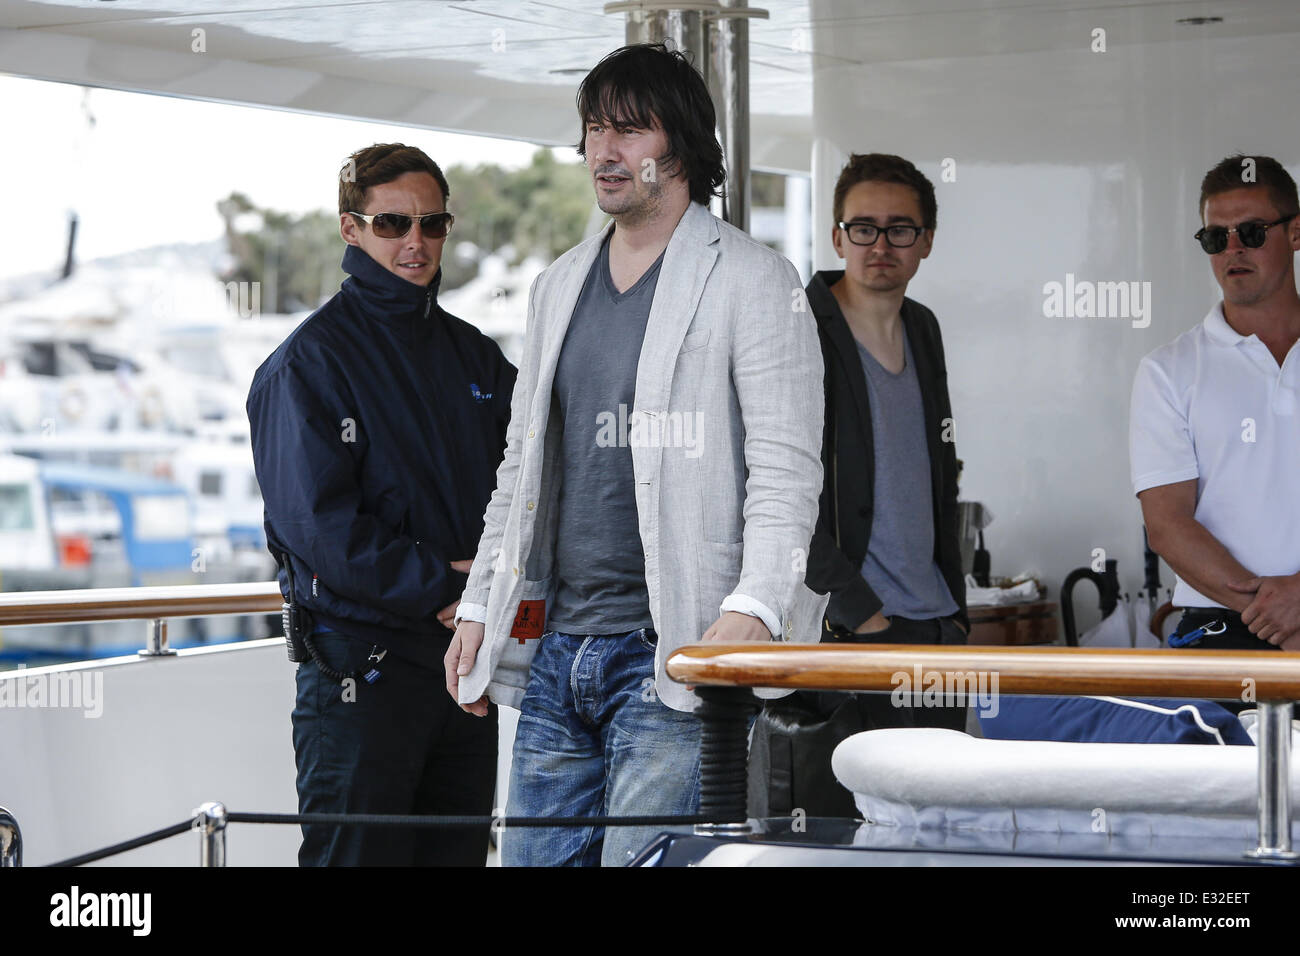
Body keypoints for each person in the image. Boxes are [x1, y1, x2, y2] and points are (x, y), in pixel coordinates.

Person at [444, 43, 826, 867]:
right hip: (558, 650)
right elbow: (522, 467)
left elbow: (788, 470)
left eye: (628, 130)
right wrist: (480, 606)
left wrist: (757, 605)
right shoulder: (558, 284)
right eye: (592, 131)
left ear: (680, 147)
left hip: (675, 648)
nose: (603, 152)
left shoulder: (757, 281)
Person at [247, 143, 516, 865]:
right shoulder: (306, 366)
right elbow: (321, 530)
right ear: (351, 228)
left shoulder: (475, 357)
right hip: (358, 676)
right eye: (393, 223)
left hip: (464, 671)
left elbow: (533, 480)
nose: (416, 242)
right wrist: (449, 589)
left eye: (433, 224)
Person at [770, 154, 968, 817]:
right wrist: (861, 612)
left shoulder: (926, 328)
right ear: (836, 238)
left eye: (900, 229)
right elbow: (774, 488)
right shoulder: (797, 327)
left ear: (927, 242)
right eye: (863, 228)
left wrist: (953, 616)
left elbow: (942, 473)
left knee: (938, 838)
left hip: (933, 629)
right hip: (854, 635)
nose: (880, 245)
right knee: (849, 842)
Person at [1131, 153, 1300, 664]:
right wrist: (1278, 617)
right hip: (1222, 632)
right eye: (1214, 237)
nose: (1231, 249)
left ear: (1295, 233)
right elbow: (1167, 525)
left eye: (1250, 232)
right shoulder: (1168, 370)